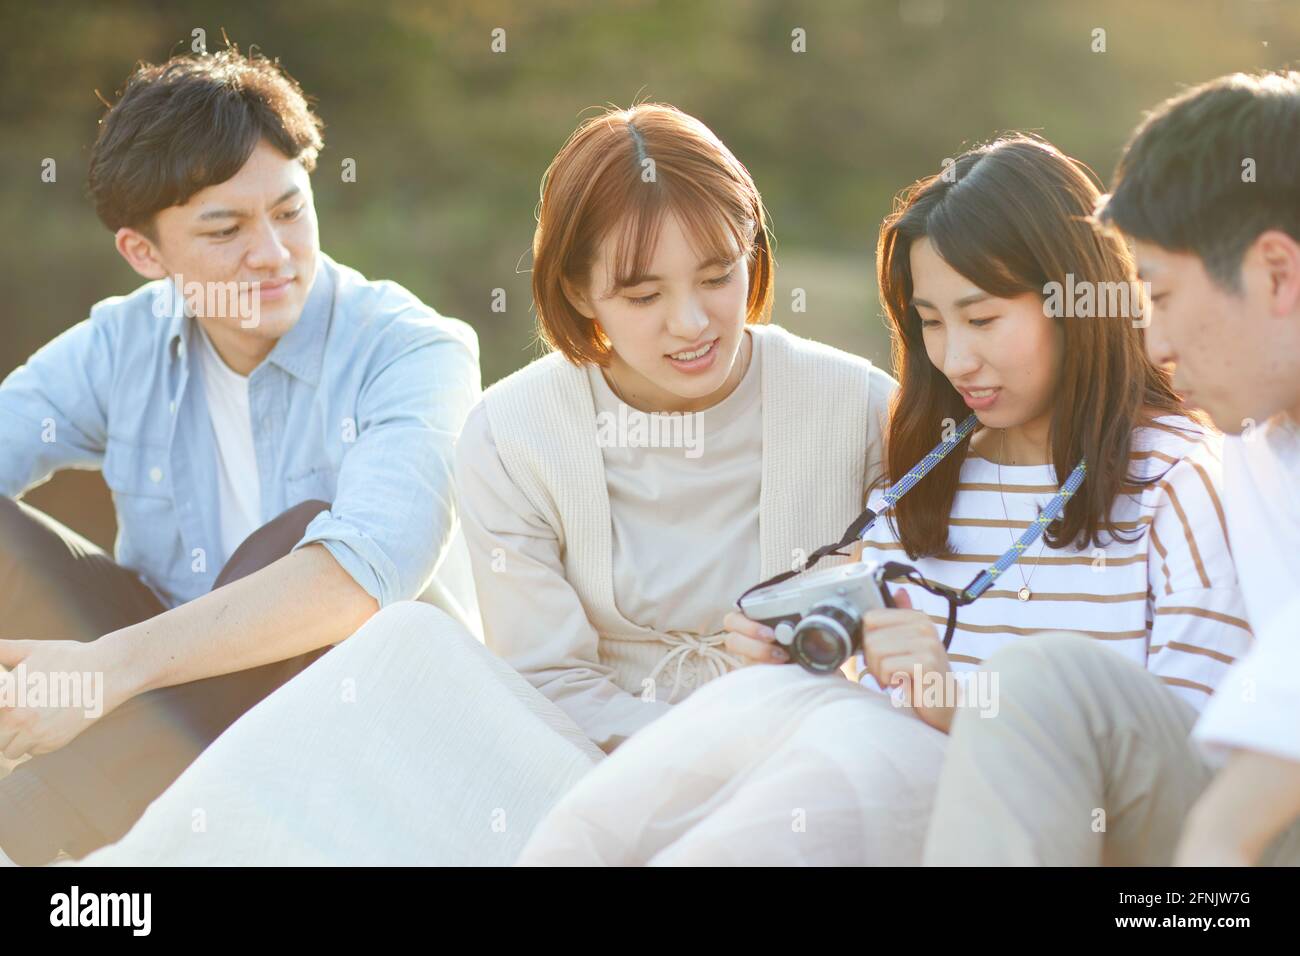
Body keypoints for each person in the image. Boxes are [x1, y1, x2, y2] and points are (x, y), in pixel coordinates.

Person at [77, 102, 898, 865]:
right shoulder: (516, 431)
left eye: (718, 276)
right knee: (403, 648)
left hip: (790, 767)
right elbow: (546, 678)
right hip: (583, 755)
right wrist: (685, 756)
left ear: (753, 250)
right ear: (579, 291)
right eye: (643, 294)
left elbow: (923, 614)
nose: (691, 323)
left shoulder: (856, 408)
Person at [516, 133, 1252, 866]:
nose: (955, 359)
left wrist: (951, 701)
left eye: (984, 318)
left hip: (1087, 836)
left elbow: (1187, 761)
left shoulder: (1177, 480)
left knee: (858, 743)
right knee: (759, 704)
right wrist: (796, 659)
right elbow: (875, 705)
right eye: (930, 322)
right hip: (917, 807)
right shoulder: (921, 479)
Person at [0, 46, 480, 866]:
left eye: (291, 212)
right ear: (145, 254)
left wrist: (104, 674)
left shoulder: (412, 349)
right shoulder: (124, 341)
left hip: (355, 712)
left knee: (297, 539)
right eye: (225, 229)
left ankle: (40, 814)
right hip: (159, 703)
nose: (273, 253)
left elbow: (367, 572)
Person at [923, 70, 1300, 867]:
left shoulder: (1188, 468)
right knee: (1040, 679)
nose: (1153, 344)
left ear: (1276, 273)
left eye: (1160, 297)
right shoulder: (1252, 443)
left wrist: (1219, 841)